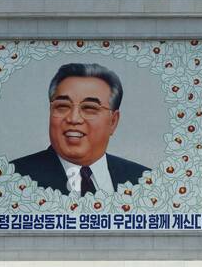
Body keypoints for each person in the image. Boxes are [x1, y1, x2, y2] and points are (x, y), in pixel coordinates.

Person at [10, 63, 149, 195]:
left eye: (89, 108)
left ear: (113, 121)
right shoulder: (12, 178)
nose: (73, 119)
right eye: (62, 106)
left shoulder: (144, 181)